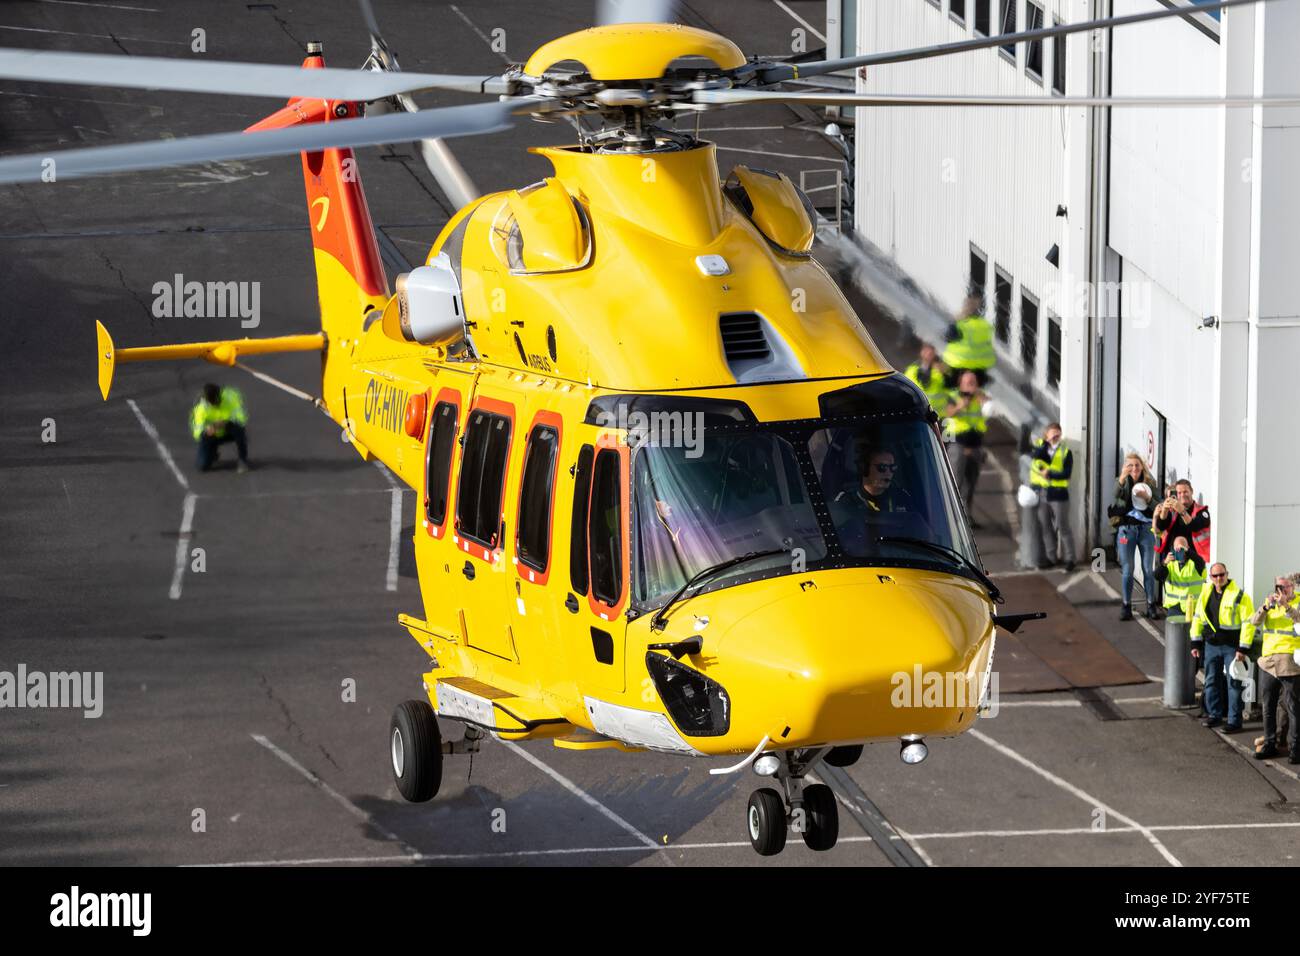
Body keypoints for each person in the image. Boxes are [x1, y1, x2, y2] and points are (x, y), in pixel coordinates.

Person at [1190, 563, 1255, 733]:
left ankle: (1234, 721)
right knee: (1210, 681)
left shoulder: (1240, 596)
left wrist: (1242, 648)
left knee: (1233, 684)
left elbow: (1248, 624)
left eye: (1222, 575)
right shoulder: (1205, 593)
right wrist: (1195, 643)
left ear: (1227, 574)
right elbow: (1197, 618)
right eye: (1215, 576)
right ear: (1210, 577)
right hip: (1211, 646)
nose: (1219, 578)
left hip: (1231, 648)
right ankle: (1214, 715)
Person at [1247, 575, 1300, 762]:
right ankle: (1270, 743)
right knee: (1268, 705)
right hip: (1268, 661)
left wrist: (1286, 605)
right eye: (1277, 586)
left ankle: (1295, 748)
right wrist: (1264, 607)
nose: (1280, 590)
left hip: (1289, 660)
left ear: (1292, 587)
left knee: (1293, 706)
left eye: (1284, 587)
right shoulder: (1269, 603)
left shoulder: (1299, 601)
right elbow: (1254, 621)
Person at [830, 447, 918, 553]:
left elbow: (918, 531)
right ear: (864, 469)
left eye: (892, 468)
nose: (888, 473)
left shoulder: (902, 497)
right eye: (882, 467)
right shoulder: (846, 500)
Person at [1107, 453, 1160, 621]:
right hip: (1126, 530)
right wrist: (1122, 478)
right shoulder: (1121, 481)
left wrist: (1148, 498)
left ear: (1142, 466)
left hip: (1146, 529)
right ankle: (1126, 605)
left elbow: (1158, 506)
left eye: (1137, 465)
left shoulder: (1150, 483)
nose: (1134, 468)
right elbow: (1115, 495)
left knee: (1147, 570)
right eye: (1130, 465)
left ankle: (1151, 605)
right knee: (1128, 570)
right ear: (1125, 467)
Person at [944, 370, 988, 529]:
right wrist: (960, 405)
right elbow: (948, 413)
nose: (972, 385)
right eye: (968, 382)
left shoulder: (980, 397)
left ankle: (966, 517)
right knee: (956, 481)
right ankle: (952, 519)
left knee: (971, 482)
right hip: (958, 443)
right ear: (961, 383)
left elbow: (989, 409)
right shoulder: (953, 395)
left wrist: (981, 399)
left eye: (974, 382)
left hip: (975, 444)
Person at [1030, 422, 1074, 571]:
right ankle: (1052, 558)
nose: (1056, 436)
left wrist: (1050, 474)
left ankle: (1070, 559)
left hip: (1059, 495)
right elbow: (1035, 458)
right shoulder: (1040, 449)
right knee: (1046, 526)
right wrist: (1046, 444)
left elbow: (1066, 473)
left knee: (1063, 526)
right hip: (1043, 493)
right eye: (1053, 433)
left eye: (1058, 433)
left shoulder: (1066, 452)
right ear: (1046, 435)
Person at [191, 382, 250, 473]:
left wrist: (227, 422)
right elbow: (197, 431)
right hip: (212, 435)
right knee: (202, 467)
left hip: (228, 431)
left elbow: (242, 418)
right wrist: (205, 431)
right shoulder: (201, 408)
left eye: (216, 401)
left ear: (220, 395)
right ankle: (213, 451)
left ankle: (243, 460)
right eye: (212, 402)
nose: (215, 404)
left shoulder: (231, 398)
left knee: (239, 430)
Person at [941, 295, 996, 388]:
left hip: (959, 364)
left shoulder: (960, 324)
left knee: (947, 385)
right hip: (980, 366)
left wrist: (954, 320)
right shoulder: (986, 325)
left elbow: (947, 337)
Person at [1152, 478, 1211, 564]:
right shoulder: (1172, 511)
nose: (1182, 495)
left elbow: (1194, 526)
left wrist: (1182, 511)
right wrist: (1164, 510)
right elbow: (1160, 527)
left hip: (1194, 561)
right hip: (1171, 558)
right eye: (1179, 493)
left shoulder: (1202, 511)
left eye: (1185, 492)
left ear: (1192, 491)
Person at [1153, 535, 1205, 619]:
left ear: (1187, 548)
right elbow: (1157, 576)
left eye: (1182, 548)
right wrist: (1164, 563)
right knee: (1174, 631)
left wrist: (1187, 551)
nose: (1179, 550)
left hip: (1193, 607)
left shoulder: (1194, 563)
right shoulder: (1169, 564)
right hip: (1174, 607)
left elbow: (1201, 562)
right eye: (1176, 548)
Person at [904, 343, 949, 416]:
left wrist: (945, 372)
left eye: (931, 353)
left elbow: (950, 386)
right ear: (921, 352)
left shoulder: (941, 370)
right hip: (918, 412)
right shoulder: (912, 370)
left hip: (938, 414)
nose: (928, 354)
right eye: (926, 351)